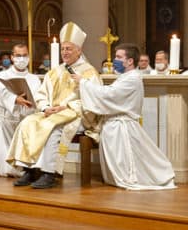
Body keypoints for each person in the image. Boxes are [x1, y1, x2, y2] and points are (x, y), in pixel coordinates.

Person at [7, 22, 101, 189]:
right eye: (63, 48)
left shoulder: (88, 72)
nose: (65, 52)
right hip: (53, 112)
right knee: (28, 123)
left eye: (69, 49)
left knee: (53, 128)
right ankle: (29, 169)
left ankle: (49, 173)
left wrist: (67, 107)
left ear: (79, 50)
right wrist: (45, 107)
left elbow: (94, 98)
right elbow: (41, 94)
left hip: (77, 114)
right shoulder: (55, 71)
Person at [74, 43, 175, 189]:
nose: (115, 60)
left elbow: (109, 95)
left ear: (130, 61)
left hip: (122, 126)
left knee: (128, 167)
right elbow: (109, 92)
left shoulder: (132, 78)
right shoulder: (125, 77)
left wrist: (83, 82)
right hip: (114, 124)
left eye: (119, 57)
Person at [0, 43, 40, 177]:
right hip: (6, 118)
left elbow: (38, 98)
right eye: (18, 55)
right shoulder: (1, 76)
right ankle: (6, 169)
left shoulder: (35, 79)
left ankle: (25, 168)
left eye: (24, 55)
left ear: (29, 57)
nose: (21, 59)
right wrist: (15, 99)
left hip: (26, 118)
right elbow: (0, 94)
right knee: (4, 149)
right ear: (12, 57)